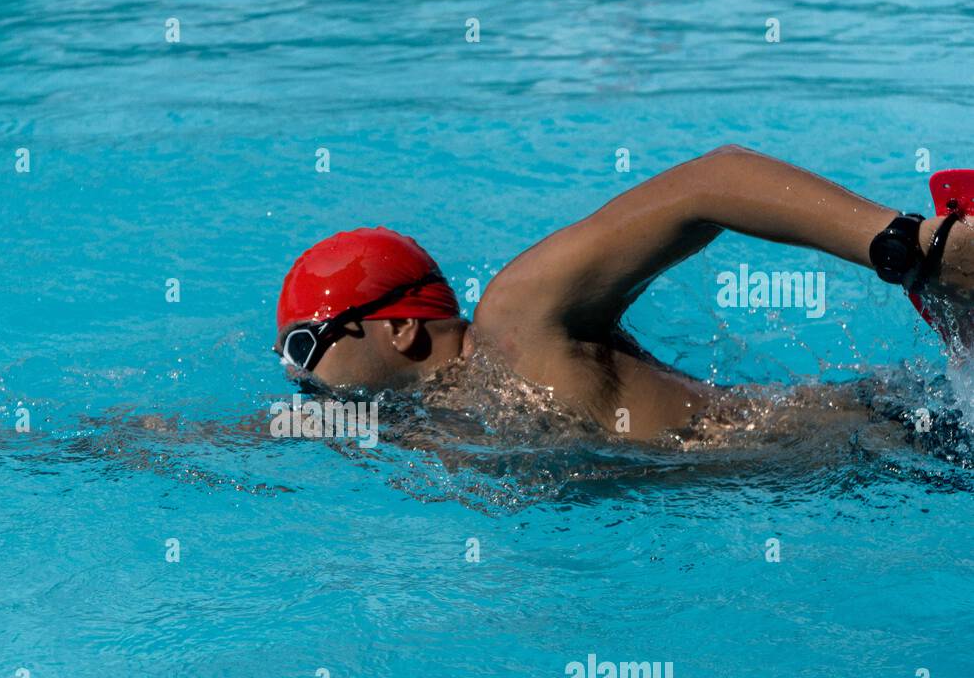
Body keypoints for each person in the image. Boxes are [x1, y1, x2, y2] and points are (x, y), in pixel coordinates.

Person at [273, 145, 974, 444]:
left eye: (305, 345)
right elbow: (270, 432)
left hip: (899, 441)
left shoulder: (516, 321)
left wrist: (915, 251)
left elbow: (712, 182)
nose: (298, 377)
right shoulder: (425, 416)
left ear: (400, 328)